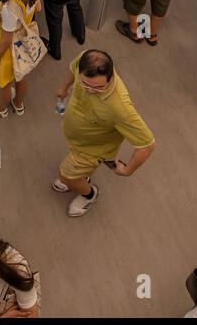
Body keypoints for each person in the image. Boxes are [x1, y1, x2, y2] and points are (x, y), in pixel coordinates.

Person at [53, 49, 155, 217]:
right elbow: (73, 68)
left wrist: (127, 170)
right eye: (85, 84)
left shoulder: (119, 107)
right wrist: (64, 86)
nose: (91, 90)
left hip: (91, 151)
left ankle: (89, 195)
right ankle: (81, 179)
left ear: (111, 77)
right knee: (73, 175)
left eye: (99, 87)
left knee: (66, 177)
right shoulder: (87, 58)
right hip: (78, 140)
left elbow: (147, 144)